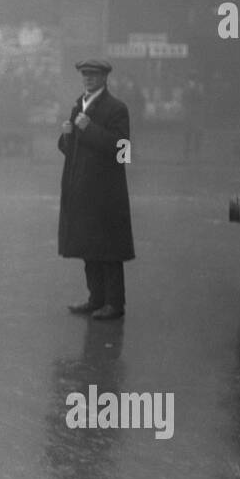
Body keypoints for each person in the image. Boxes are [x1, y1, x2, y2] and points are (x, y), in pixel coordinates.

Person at [58, 58, 135, 320]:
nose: (88, 79)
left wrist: (89, 130)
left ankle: (115, 303)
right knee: (89, 247)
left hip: (106, 192)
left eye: (93, 75)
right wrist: (67, 135)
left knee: (109, 249)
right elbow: (70, 151)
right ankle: (96, 299)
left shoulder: (116, 108)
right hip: (81, 189)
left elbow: (123, 150)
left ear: (104, 78)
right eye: (85, 75)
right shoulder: (78, 105)